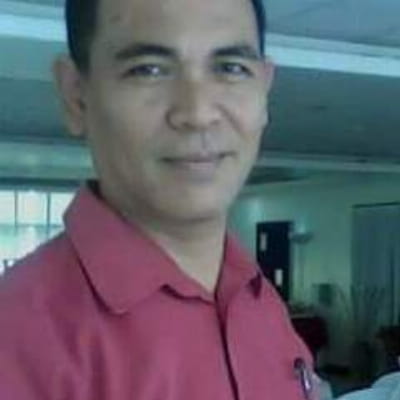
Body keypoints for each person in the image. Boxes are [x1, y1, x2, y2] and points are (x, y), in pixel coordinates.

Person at [0, 0, 315, 398]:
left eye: (231, 68)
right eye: (148, 69)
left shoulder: (261, 302)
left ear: (264, 91)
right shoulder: (19, 334)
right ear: (76, 96)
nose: (198, 113)